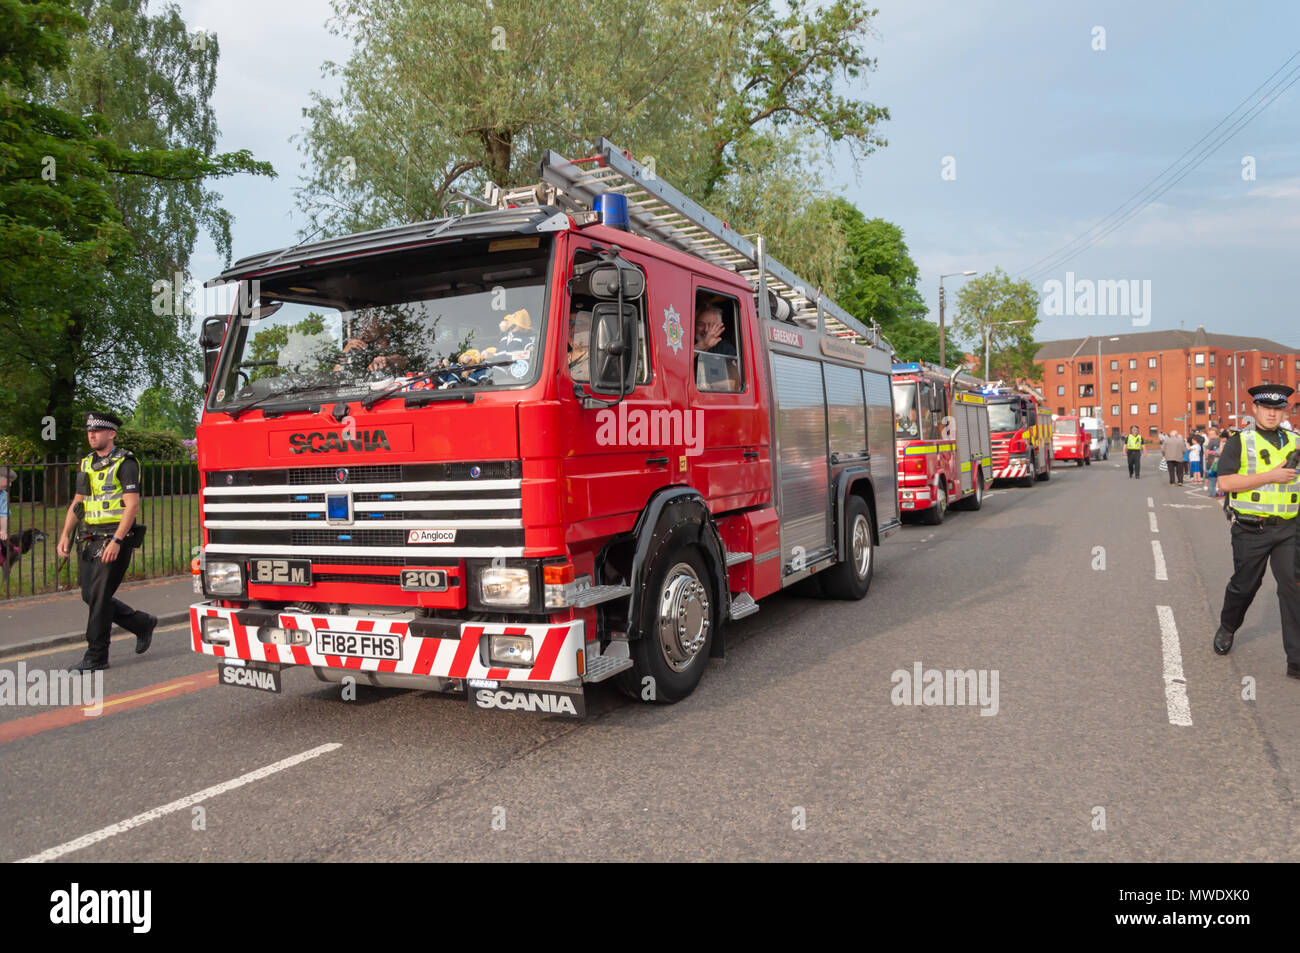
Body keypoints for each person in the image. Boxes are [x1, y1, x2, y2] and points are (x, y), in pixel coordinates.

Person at [55, 412, 157, 671]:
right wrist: (65, 534)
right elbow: (78, 502)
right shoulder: (87, 463)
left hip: (115, 537)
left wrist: (116, 540)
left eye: (98, 431)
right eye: (89, 431)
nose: (92, 435)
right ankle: (140, 623)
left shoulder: (125, 463)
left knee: (100, 598)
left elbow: (132, 507)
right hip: (89, 536)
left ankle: (97, 656)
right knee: (89, 595)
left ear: (111, 434)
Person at [1212, 385, 1300, 681]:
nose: (1272, 413)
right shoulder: (1240, 441)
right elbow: (1224, 484)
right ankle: (1228, 626)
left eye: (1278, 409)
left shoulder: (1295, 441)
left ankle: (1296, 661)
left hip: (1289, 529)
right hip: (1251, 529)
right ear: (1255, 410)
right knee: (1245, 585)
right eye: (1266, 408)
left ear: (1284, 411)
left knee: (1293, 588)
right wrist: (1270, 476)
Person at [694, 305, 739, 392]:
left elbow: (735, 383)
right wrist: (702, 345)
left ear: (719, 327)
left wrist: (710, 386)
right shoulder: (686, 343)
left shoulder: (726, 349)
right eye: (700, 324)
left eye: (712, 325)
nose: (706, 330)